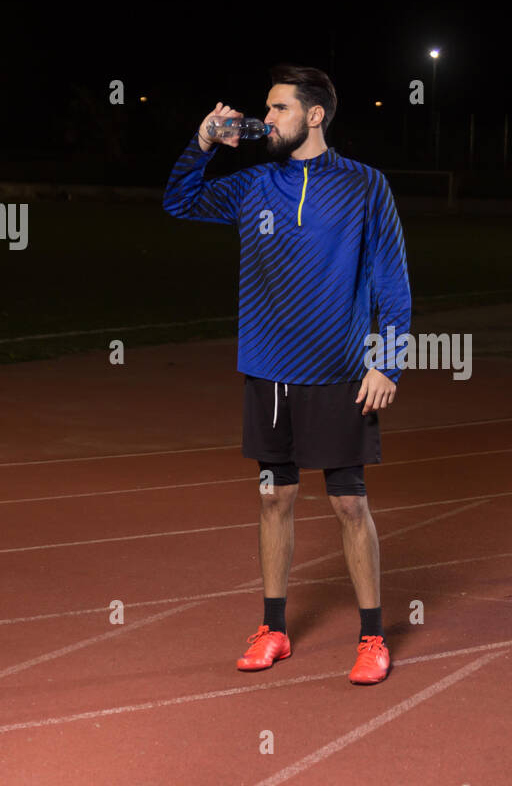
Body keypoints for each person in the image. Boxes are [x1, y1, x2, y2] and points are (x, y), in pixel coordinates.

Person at [162, 65, 411, 684]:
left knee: (349, 504)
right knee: (275, 496)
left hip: (338, 372)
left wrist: (389, 361)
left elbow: (393, 284)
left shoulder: (365, 187)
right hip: (269, 371)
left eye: (276, 109)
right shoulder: (253, 185)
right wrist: (200, 146)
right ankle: (273, 628)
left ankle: (373, 637)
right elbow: (179, 202)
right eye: (265, 110)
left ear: (315, 114)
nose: (264, 119)